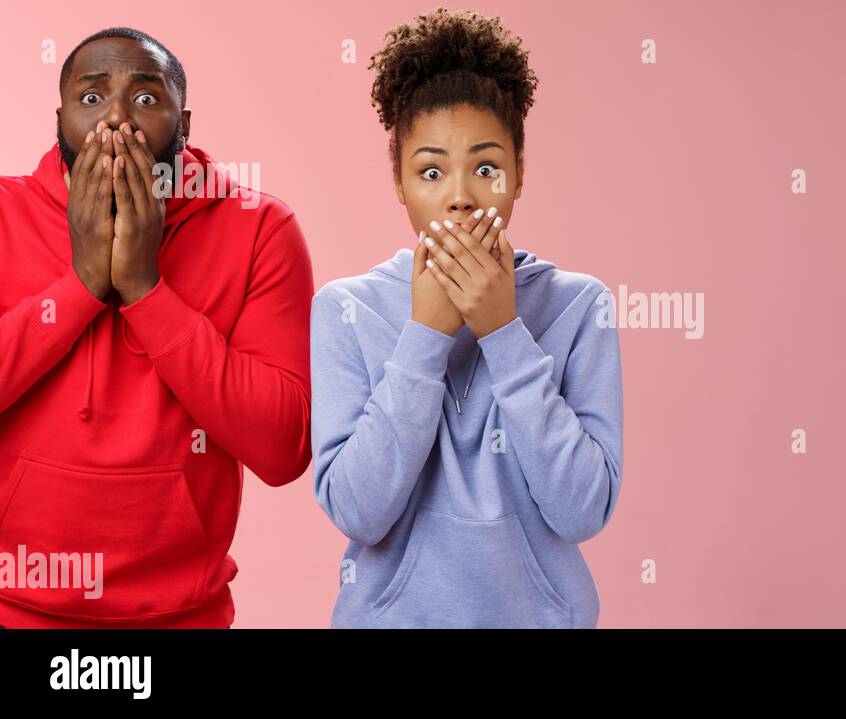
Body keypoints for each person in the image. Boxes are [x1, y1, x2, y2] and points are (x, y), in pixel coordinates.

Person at [311, 8, 623, 628]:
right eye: (430, 170)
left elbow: (583, 509)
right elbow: (357, 510)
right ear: (398, 180)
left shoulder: (579, 305)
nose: (460, 195)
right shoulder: (346, 309)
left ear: (519, 173)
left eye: (486, 168)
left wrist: (504, 332)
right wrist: (424, 336)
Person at [0, 28, 313, 628]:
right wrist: (82, 286)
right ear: (58, 118)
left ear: (184, 122)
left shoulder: (260, 228)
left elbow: (282, 449)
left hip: (183, 617)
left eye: (146, 99)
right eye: (91, 98)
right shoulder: (7, 214)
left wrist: (145, 290)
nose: (117, 119)